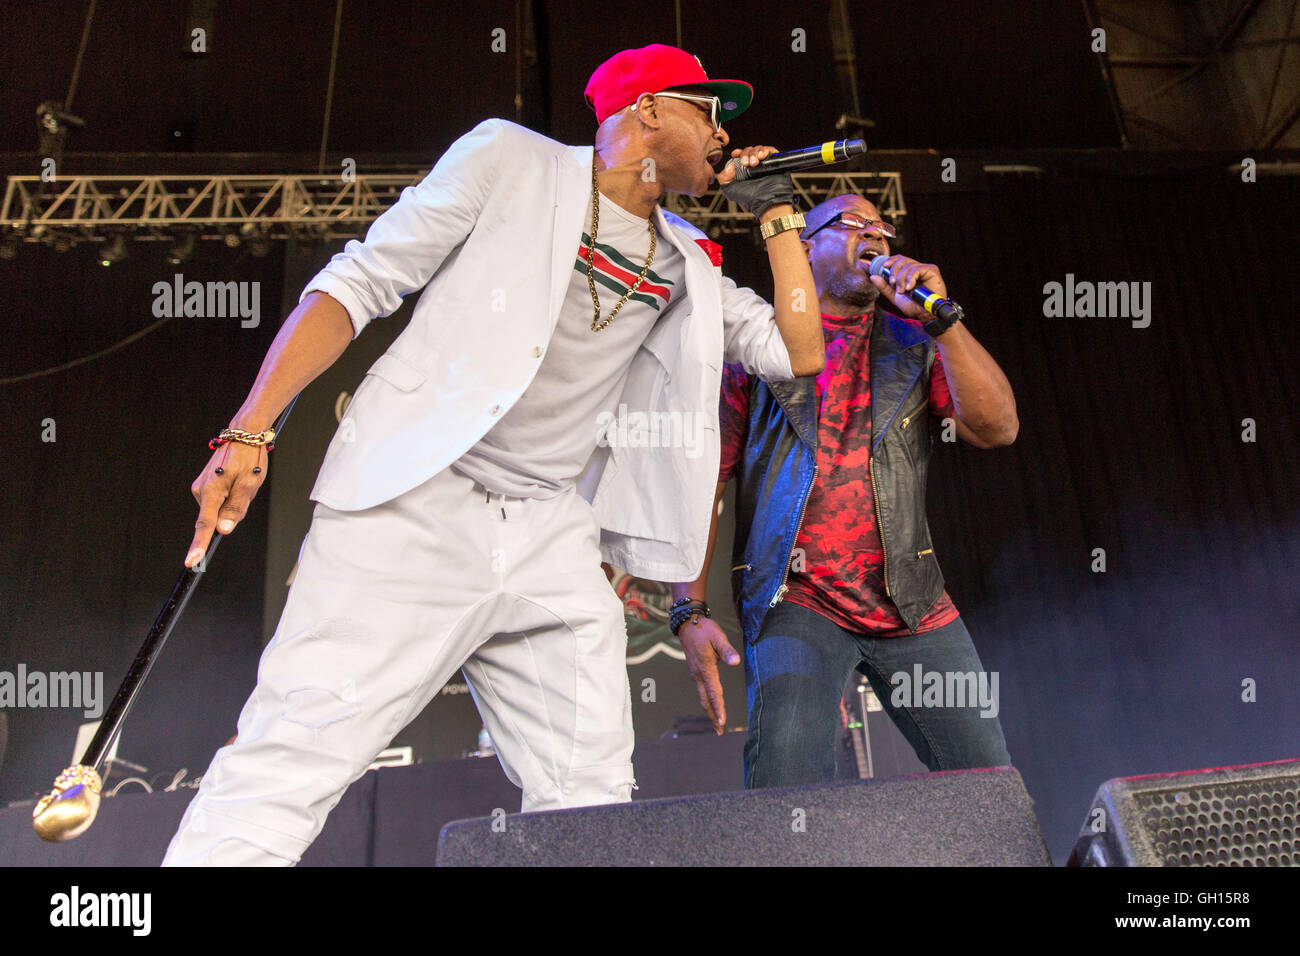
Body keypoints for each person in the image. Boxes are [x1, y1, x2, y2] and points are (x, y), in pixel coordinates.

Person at [162, 44, 824, 865]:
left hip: (551, 533)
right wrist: (251, 427)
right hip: (417, 504)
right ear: (649, 109)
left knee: (591, 796)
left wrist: (779, 217)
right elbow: (360, 282)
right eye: (708, 111)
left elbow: (798, 353)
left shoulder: (688, 256)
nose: (724, 135)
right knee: (290, 760)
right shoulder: (512, 160)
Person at [671, 192, 1018, 787]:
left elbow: (998, 428)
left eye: (883, 228)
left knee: (989, 785)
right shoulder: (757, 347)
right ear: (806, 247)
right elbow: (703, 483)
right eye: (854, 225)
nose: (876, 236)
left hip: (913, 602)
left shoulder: (915, 343)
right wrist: (689, 608)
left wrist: (943, 323)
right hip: (796, 598)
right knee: (788, 781)